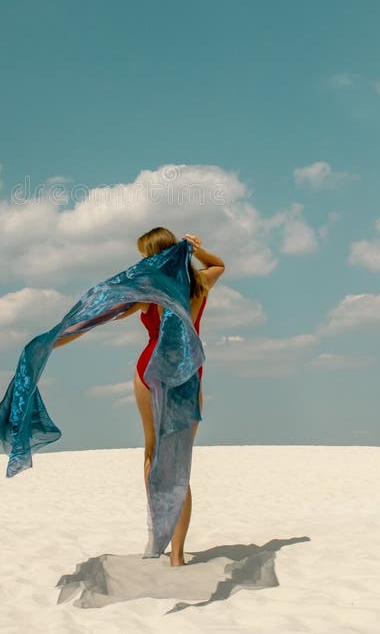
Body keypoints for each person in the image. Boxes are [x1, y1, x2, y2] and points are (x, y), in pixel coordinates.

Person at [116, 227, 225, 566]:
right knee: (177, 464)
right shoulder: (199, 285)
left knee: (152, 451)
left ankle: (158, 539)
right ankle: (176, 555)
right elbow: (219, 265)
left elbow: (115, 310)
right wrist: (195, 249)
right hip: (185, 371)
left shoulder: (147, 292)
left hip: (149, 369)